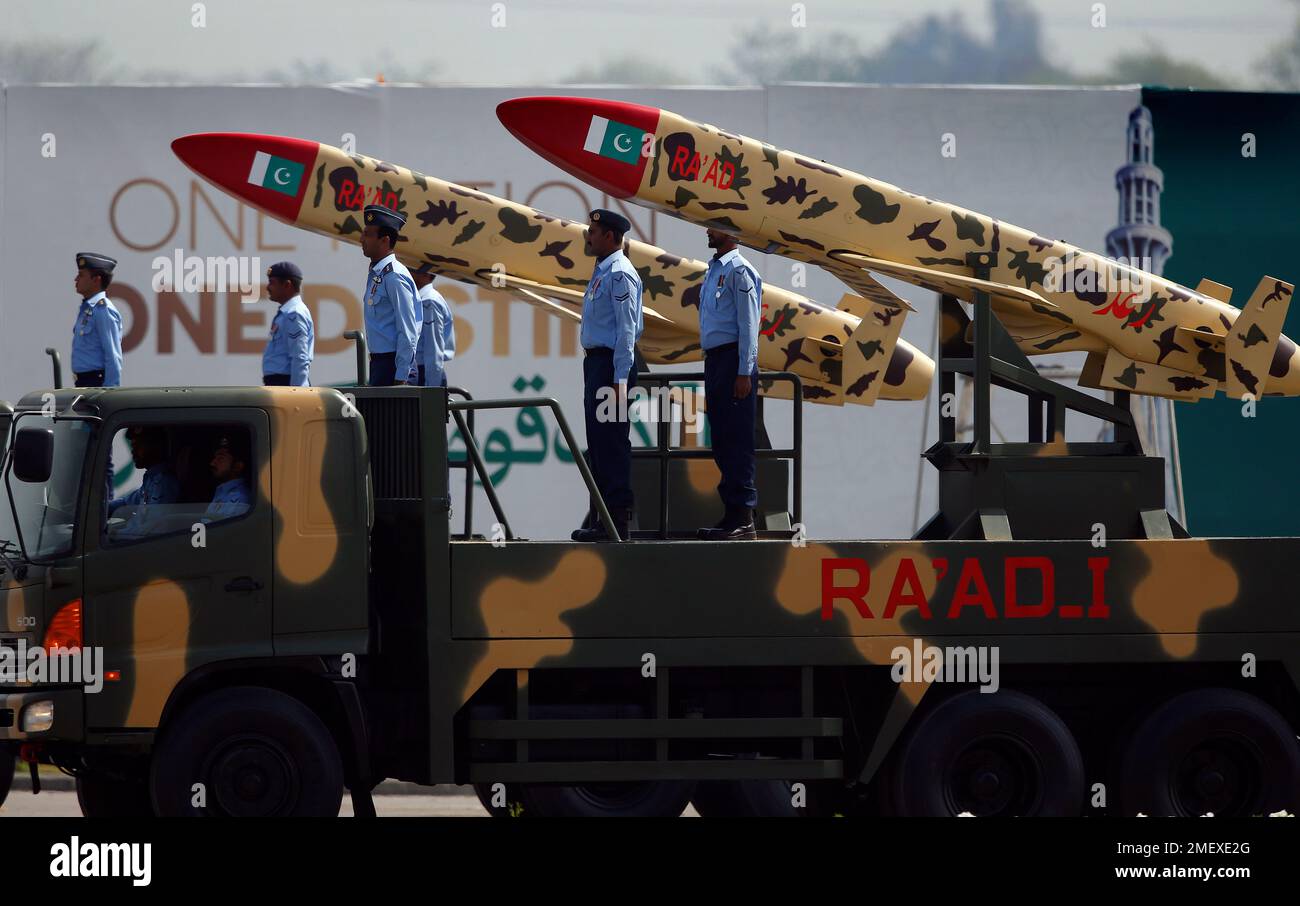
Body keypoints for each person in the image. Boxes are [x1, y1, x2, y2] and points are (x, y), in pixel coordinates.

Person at [571, 210, 644, 543]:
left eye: (595, 231)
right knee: (598, 445)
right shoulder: (603, 271)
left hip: (612, 369)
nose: (589, 236)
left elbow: (626, 331)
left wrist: (620, 380)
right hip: (597, 366)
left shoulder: (620, 274)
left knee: (612, 442)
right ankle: (602, 519)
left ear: (612, 237)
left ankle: (617, 521)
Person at [696, 228, 762, 540]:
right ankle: (730, 515)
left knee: (737, 440)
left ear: (731, 232)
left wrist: (744, 372)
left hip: (733, 361)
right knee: (721, 439)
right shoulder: (713, 271)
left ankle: (744, 517)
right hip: (715, 360)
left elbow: (749, 324)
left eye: (714, 226)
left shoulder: (740, 271)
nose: (708, 230)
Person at [359, 205, 419, 386]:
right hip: (381, 364)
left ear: (384, 241)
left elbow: (408, 332)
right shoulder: (379, 273)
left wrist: (401, 378)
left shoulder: (394, 276)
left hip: (394, 367)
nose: (362, 239)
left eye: (368, 234)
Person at [107, 426, 180, 539]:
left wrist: (114, 534)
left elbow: (151, 530)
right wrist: (99, 508)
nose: (133, 451)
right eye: (132, 446)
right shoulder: (151, 479)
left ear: (153, 446)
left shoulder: (165, 483)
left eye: (138, 446)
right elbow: (126, 503)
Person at [71, 253, 124, 387]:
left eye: (81, 275)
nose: (76, 279)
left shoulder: (103, 310)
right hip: (84, 383)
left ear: (96, 280)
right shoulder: (87, 308)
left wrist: (110, 394)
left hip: (97, 384)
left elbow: (113, 356)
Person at [261, 261, 314, 386]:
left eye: (272, 283)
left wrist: (297, 393)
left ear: (287, 285)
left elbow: (300, 357)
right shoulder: (287, 313)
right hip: (280, 384)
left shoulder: (294, 314)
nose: (267, 287)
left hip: (286, 384)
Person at [202, 434, 253, 523]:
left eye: (220, 458)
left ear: (238, 466)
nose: (212, 463)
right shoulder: (222, 492)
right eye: (215, 458)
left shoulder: (240, 498)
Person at [413, 269, 449, 388]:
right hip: (422, 371)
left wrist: (432, 389)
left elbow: (433, 350)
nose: (407, 272)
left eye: (411, 269)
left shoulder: (429, 301)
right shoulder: (424, 299)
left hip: (425, 374)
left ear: (426, 273)